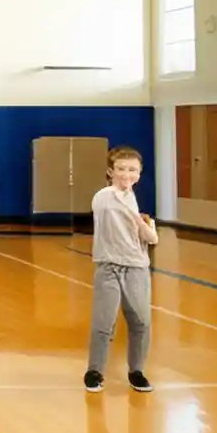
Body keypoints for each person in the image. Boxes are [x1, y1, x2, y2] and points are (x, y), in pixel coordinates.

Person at [85, 146, 158, 393]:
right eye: (121, 169)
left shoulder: (133, 201)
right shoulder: (105, 195)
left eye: (132, 170)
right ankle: (94, 371)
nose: (126, 174)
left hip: (136, 268)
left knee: (141, 321)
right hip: (109, 267)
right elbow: (110, 205)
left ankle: (136, 371)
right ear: (110, 171)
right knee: (103, 322)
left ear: (139, 173)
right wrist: (135, 216)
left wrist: (142, 222)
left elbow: (151, 237)